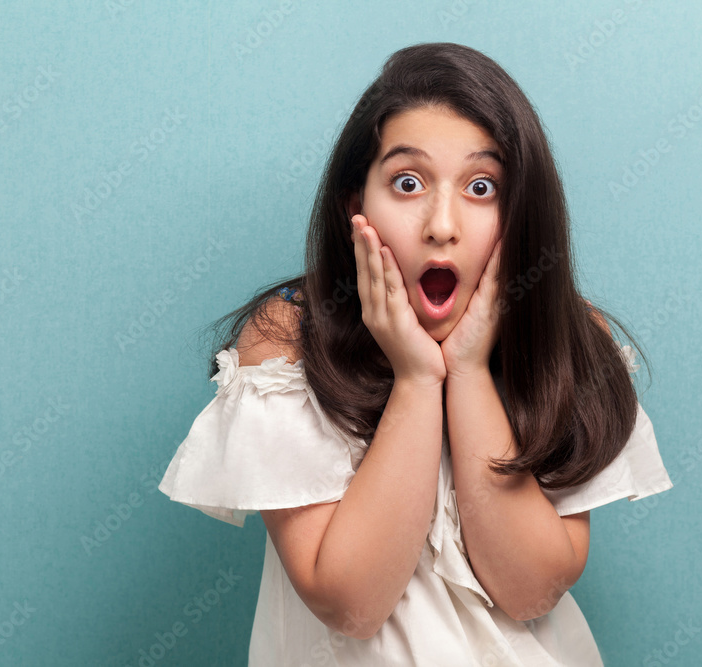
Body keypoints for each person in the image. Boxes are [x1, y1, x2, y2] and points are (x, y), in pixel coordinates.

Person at [158, 41, 673, 666]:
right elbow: (352, 602)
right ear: (357, 204)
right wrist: (416, 379)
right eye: (408, 183)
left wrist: (471, 372)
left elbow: (532, 590)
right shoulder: (288, 340)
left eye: (482, 187)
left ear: (521, 211)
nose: (441, 224)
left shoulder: (559, 340)